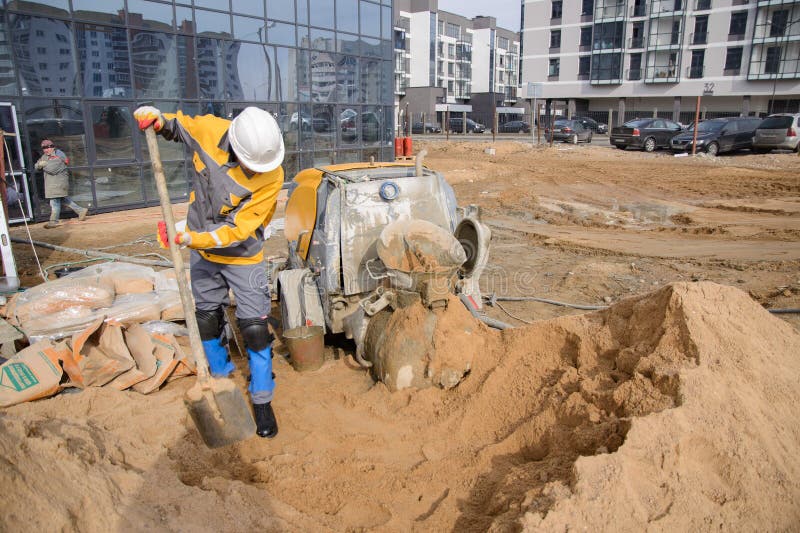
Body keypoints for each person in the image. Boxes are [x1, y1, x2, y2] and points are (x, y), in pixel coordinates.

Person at [133, 105, 285, 439]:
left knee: (255, 328)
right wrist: (159, 120)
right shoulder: (210, 131)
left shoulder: (272, 176)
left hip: (243, 254)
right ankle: (219, 378)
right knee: (206, 319)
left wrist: (191, 238)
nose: (255, 170)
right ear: (234, 144)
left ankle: (262, 398)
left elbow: (239, 229)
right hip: (202, 252)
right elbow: (178, 127)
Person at [34, 139, 88, 228]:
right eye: (44, 148)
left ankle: (53, 221)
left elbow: (52, 169)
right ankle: (81, 210)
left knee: (54, 203)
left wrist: (42, 165)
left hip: (58, 184)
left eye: (48, 147)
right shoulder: (45, 156)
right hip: (52, 184)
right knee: (63, 200)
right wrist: (40, 164)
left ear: (52, 147)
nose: (46, 150)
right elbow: (36, 166)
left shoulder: (59, 156)